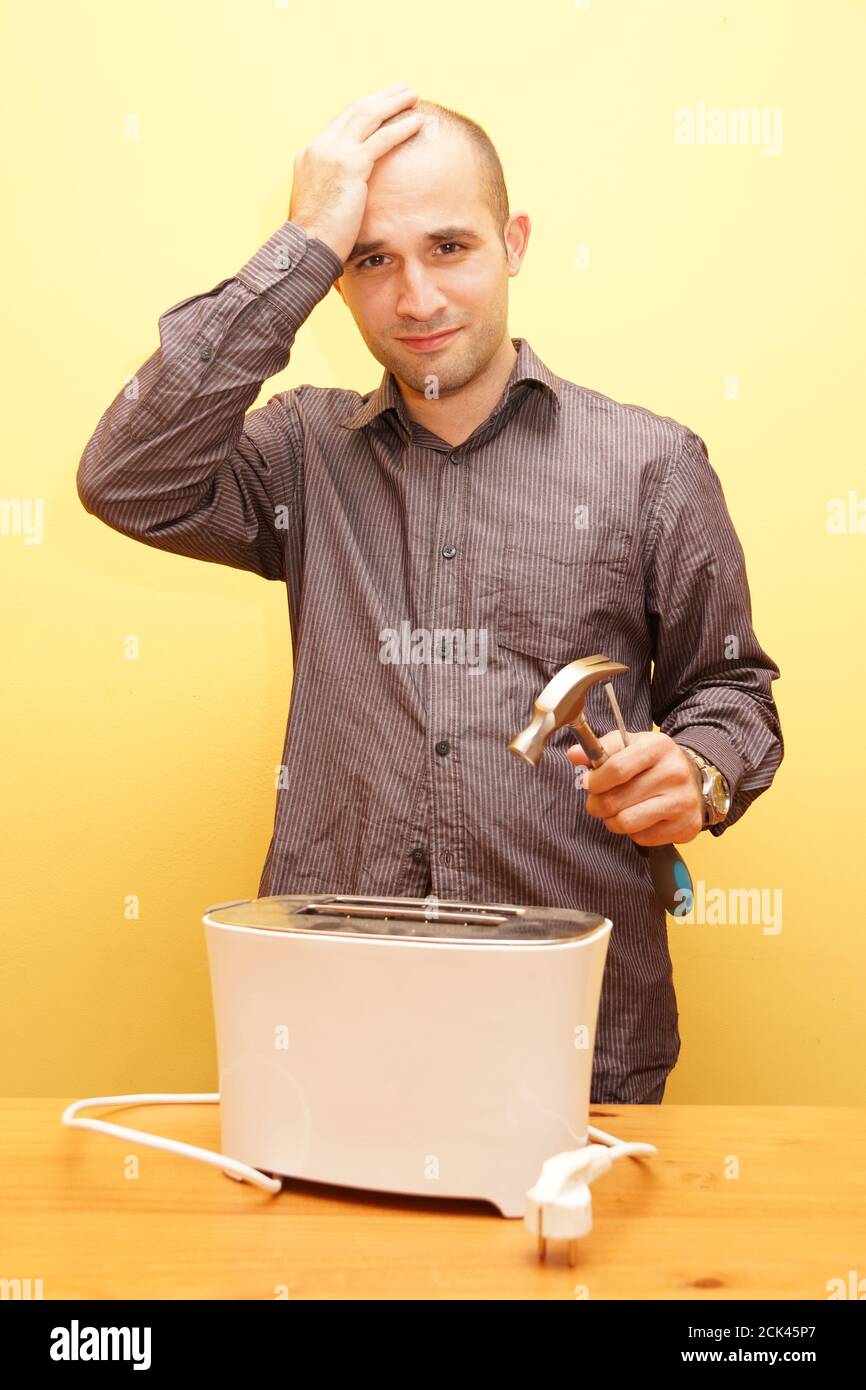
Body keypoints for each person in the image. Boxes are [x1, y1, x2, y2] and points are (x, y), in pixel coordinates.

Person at [77, 84, 784, 1104]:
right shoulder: (297, 457)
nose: (414, 299)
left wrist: (702, 771)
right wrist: (299, 244)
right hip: (327, 1025)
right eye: (370, 259)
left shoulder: (649, 466)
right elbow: (125, 478)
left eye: (449, 247)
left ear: (514, 241)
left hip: (575, 1031)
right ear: (336, 279)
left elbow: (733, 694)